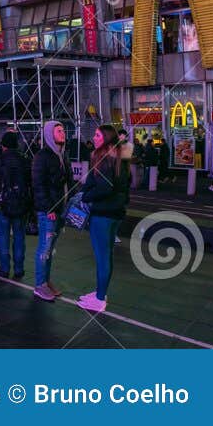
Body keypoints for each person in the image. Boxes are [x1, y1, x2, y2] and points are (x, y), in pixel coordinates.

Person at [77, 125, 129, 313]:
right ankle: (100, 292)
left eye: (98, 135)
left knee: (102, 257)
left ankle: (99, 300)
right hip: (115, 213)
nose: (94, 137)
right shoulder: (120, 157)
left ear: (106, 138)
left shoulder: (104, 158)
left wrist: (85, 196)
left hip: (103, 214)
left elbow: (104, 188)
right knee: (106, 256)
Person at [31, 119, 71, 302]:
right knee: (44, 248)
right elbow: (38, 185)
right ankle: (40, 285)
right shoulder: (42, 156)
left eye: (63, 130)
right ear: (49, 134)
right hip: (49, 211)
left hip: (60, 209)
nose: (63, 133)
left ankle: (46, 281)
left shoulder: (62, 155)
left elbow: (68, 183)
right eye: (59, 131)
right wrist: (49, 208)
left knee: (50, 249)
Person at [0, 130, 30, 280]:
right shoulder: (25, 159)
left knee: (3, 237)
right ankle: (19, 269)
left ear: (3, 145)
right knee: (19, 237)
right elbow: (31, 183)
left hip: (3, 204)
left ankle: (4, 268)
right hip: (21, 204)